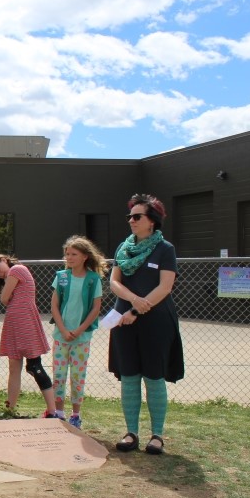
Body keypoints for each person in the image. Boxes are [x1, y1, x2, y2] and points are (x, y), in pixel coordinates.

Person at [109, 194, 184, 455]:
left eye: (137, 216)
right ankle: (131, 433)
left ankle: (157, 436)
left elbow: (165, 287)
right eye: (130, 216)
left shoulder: (165, 249)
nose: (131, 220)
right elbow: (114, 282)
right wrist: (131, 302)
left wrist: (137, 310)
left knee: (154, 378)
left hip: (156, 322)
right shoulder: (123, 248)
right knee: (129, 377)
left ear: (152, 221)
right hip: (124, 320)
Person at [0, 254, 56, 416]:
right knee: (14, 368)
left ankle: (53, 410)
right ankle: (10, 409)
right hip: (16, 323)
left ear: (3, 260)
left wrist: (6, 294)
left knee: (34, 366)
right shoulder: (14, 274)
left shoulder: (16, 270)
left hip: (24, 322)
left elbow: (4, 298)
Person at [50, 236, 107, 429]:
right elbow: (55, 306)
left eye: (74, 254)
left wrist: (79, 330)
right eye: (67, 254)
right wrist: (64, 329)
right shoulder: (61, 277)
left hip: (82, 338)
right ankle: (58, 412)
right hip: (61, 336)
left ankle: (76, 414)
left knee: (77, 375)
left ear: (84, 256)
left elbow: (95, 308)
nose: (69, 257)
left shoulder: (93, 280)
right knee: (58, 374)